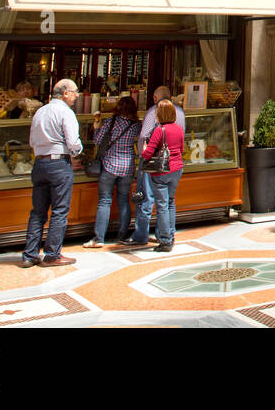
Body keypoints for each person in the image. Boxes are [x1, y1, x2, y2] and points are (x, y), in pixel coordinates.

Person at [20, 79, 84, 268]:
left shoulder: (40, 111)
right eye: (74, 91)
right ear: (65, 93)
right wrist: (77, 152)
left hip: (40, 163)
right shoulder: (66, 112)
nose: (76, 95)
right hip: (58, 164)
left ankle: (30, 254)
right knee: (59, 210)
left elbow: (32, 140)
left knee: (38, 211)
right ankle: (52, 254)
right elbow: (73, 142)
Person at [132, 86, 186, 246]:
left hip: (159, 167)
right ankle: (170, 233)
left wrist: (143, 153)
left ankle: (159, 238)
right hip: (176, 167)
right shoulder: (180, 119)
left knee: (153, 201)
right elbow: (182, 148)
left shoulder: (158, 126)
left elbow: (145, 142)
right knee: (170, 202)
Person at [84, 96, 141, 248]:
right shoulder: (136, 125)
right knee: (124, 201)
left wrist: (96, 126)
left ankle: (99, 238)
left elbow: (97, 140)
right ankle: (122, 236)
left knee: (105, 201)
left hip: (109, 165)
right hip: (127, 166)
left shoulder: (110, 122)